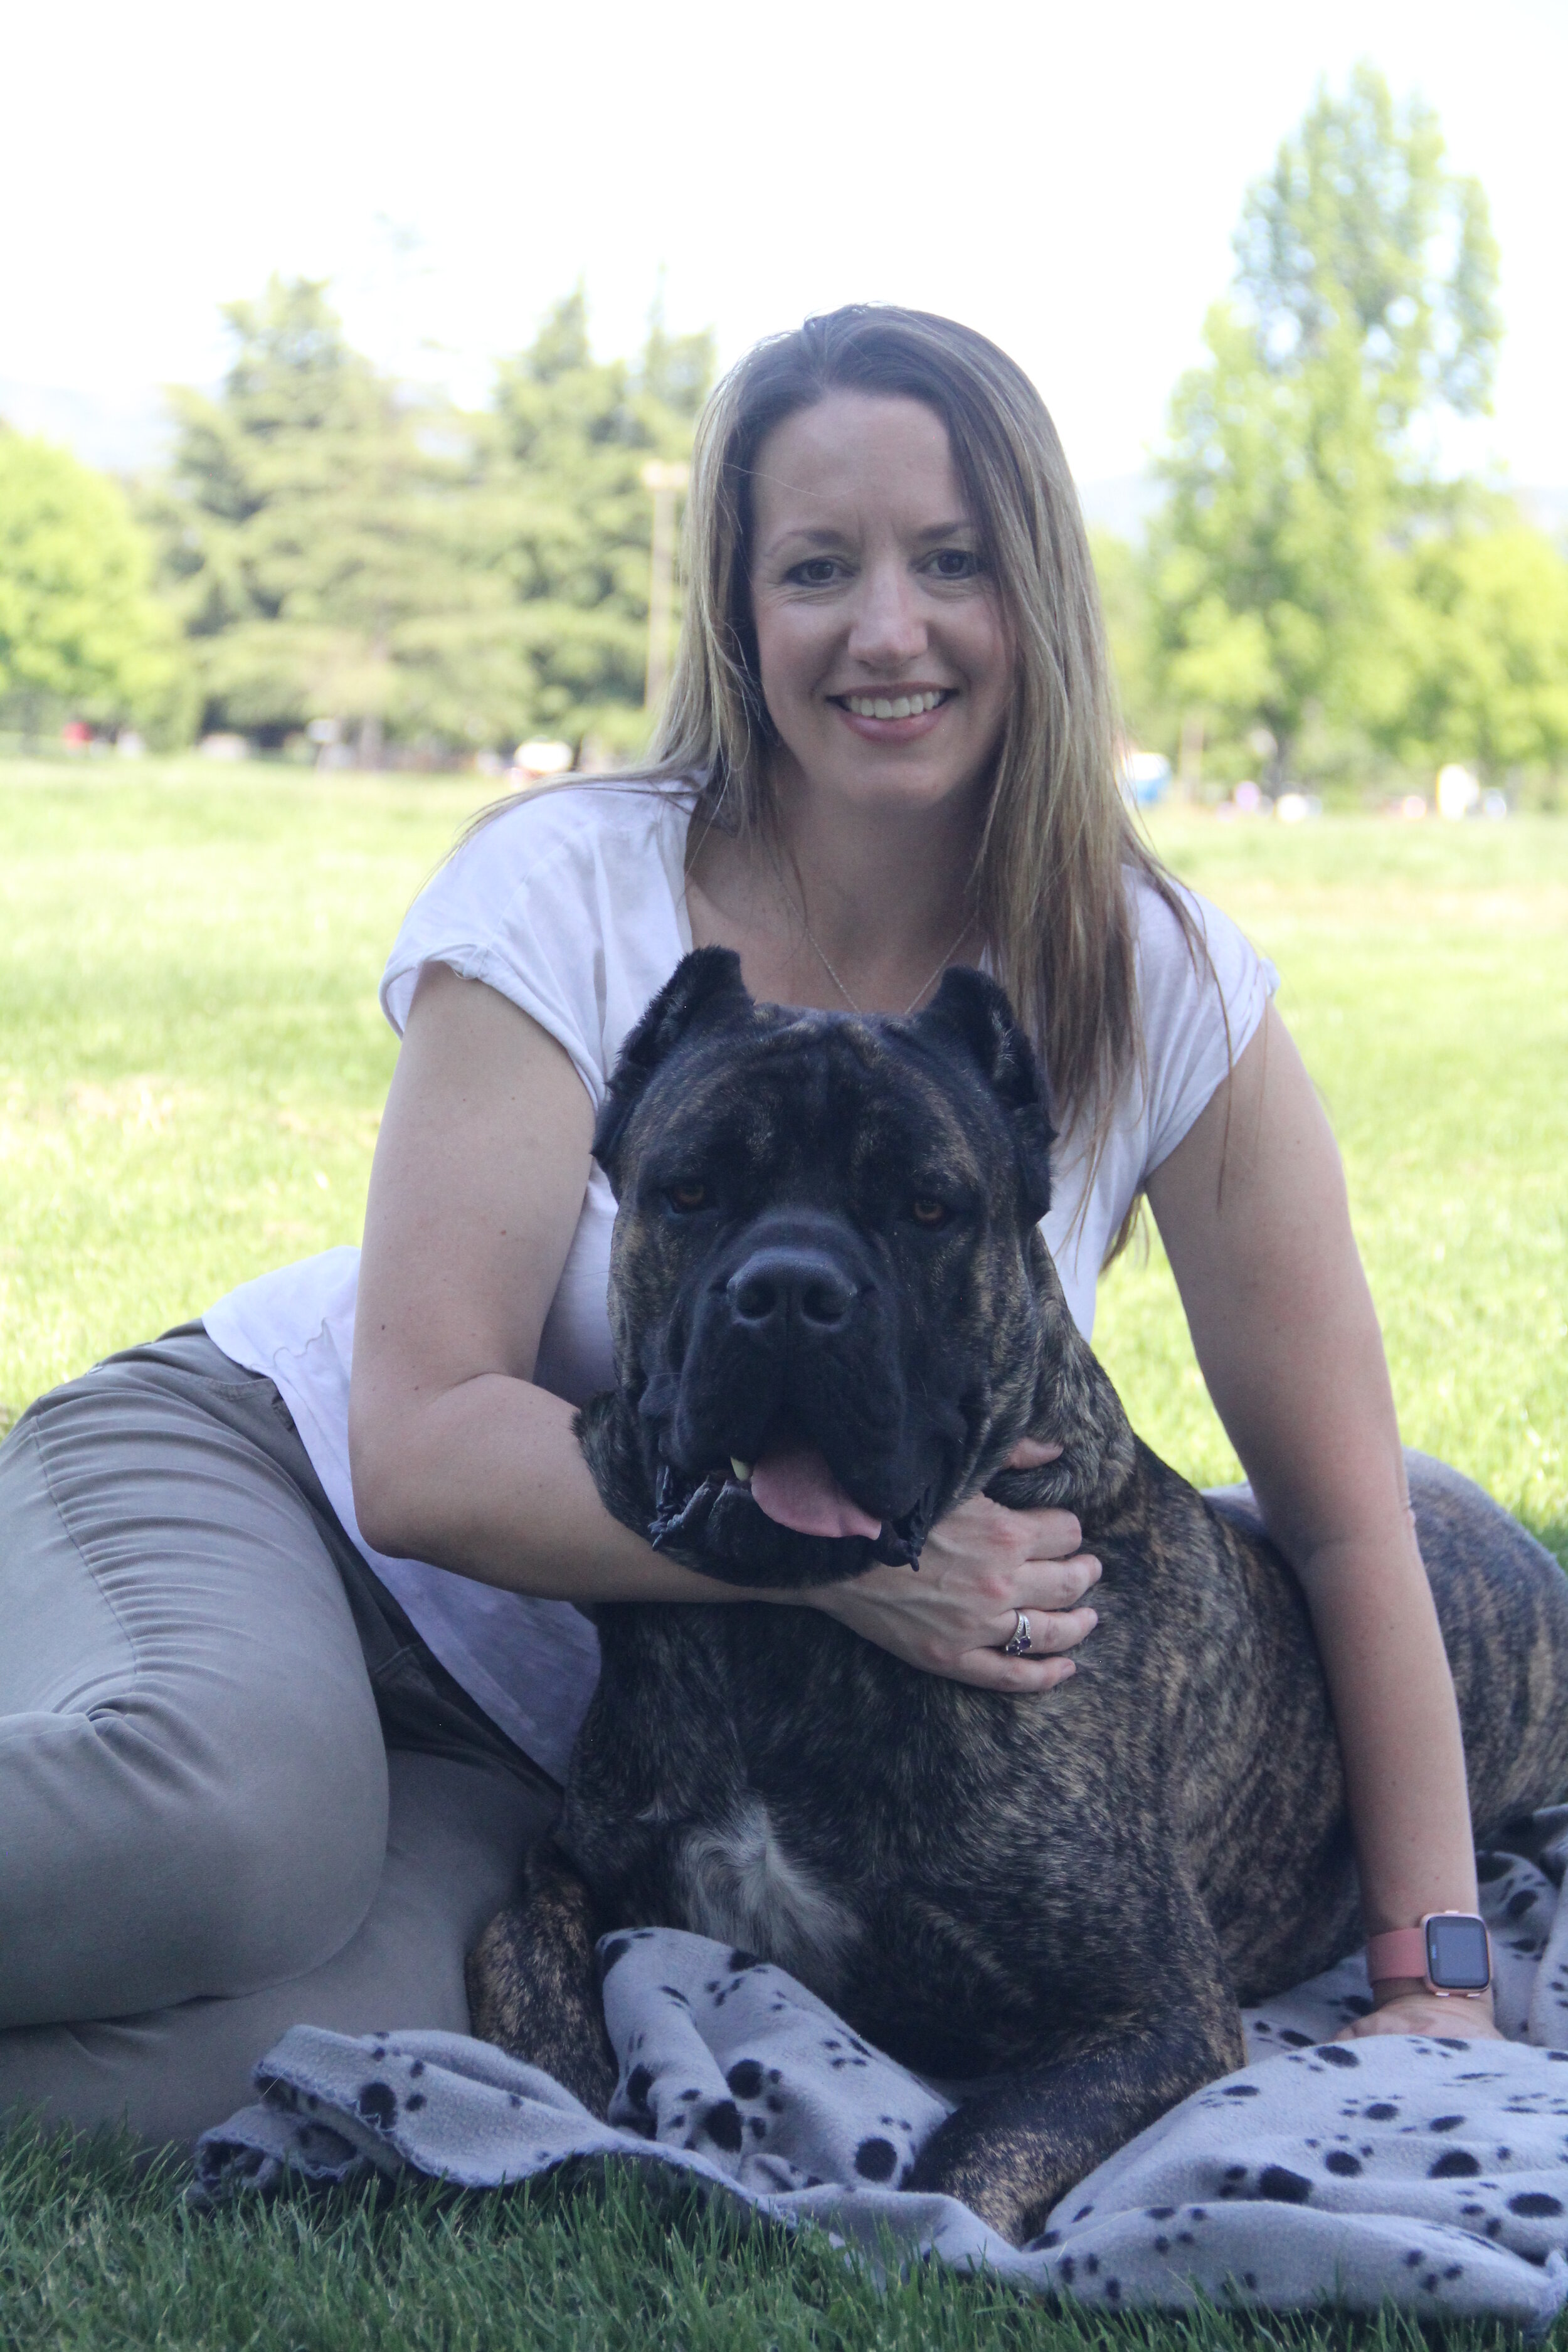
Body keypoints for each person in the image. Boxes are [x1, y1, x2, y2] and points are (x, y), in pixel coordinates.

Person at [0, 306, 1494, 2156]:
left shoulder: (1153, 979)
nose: (888, 628)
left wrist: (1433, 1969)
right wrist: (839, 1567)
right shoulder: (571, 887)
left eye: (951, 561)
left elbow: (1347, 1518)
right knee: (227, 1837)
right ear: (738, 612)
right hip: (284, 1489)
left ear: (1036, 592)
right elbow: (419, 1446)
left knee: (301, 2064)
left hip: (557, 1716)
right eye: (817, 568)